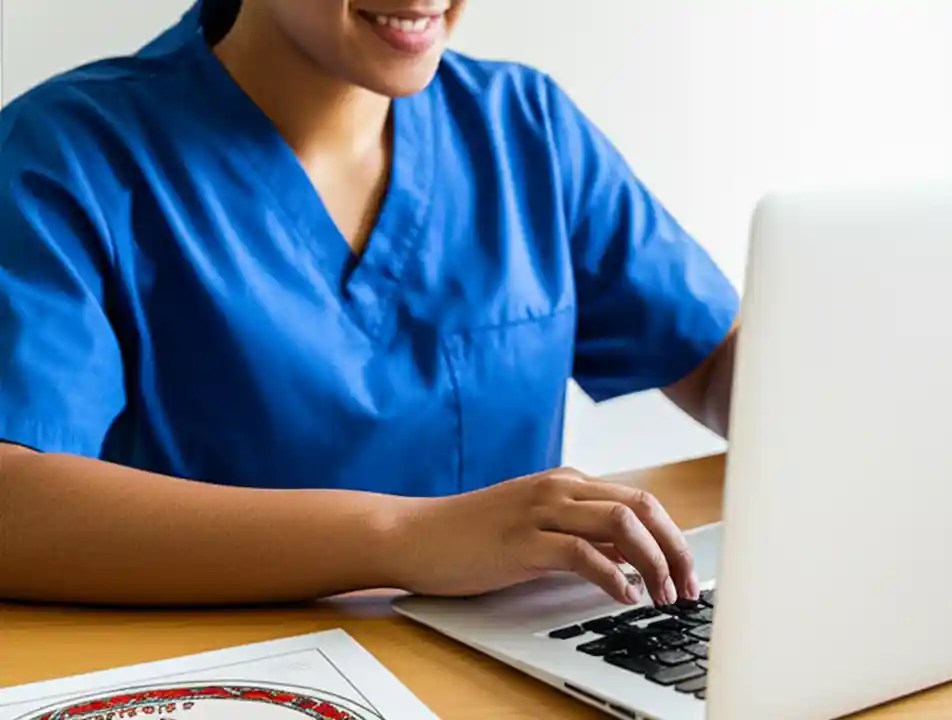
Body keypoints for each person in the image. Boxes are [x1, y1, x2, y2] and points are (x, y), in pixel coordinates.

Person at [0, 0, 740, 607]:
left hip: (509, 665)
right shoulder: (67, 157)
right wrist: (404, 538)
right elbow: (12, 505)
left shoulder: (524, 127)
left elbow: (715, 361)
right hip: (237, 672)